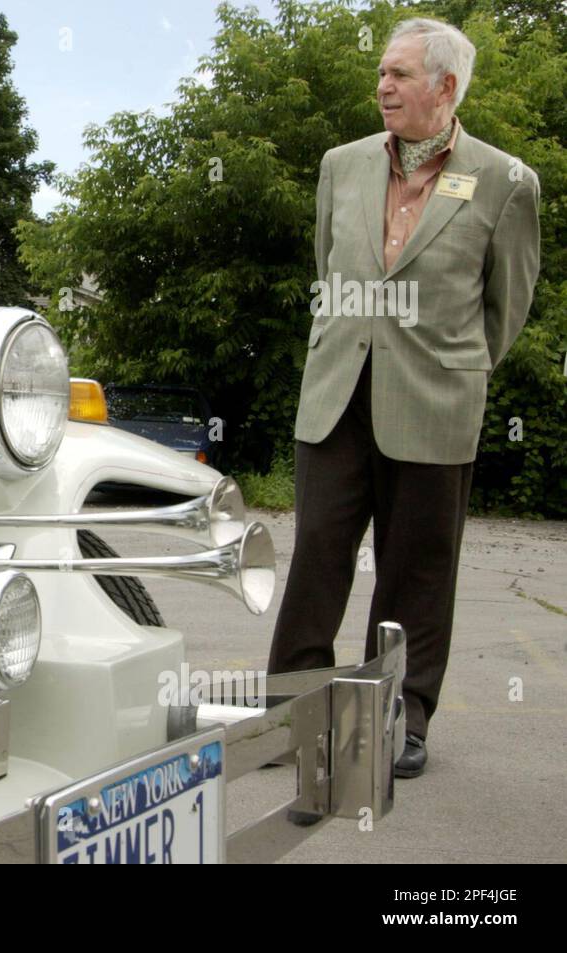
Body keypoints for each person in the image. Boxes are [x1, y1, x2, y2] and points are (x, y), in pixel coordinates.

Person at [267, 17, 541, 778]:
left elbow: (505, 309)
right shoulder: (340, 165)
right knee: (318, 552)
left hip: (436, 399)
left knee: (416, 568)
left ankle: (399, 714)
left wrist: (453, 369)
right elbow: (331, 270)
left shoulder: (507, 181)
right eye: (382, 72)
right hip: (337, 391)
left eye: (399, 74)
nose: (382, 85)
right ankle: (292, 708)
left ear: (446, 87)